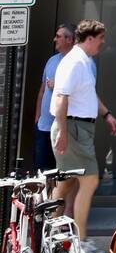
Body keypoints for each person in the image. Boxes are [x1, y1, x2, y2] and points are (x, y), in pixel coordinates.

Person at [50, 19, 116, 253]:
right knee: (89, 180)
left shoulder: (83, 61)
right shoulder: (76, 62)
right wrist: (61, 130)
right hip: (73, 128)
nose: (102, 43)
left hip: (76, 128)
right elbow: (60, 97)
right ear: (89, 38)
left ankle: (50, 233)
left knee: (66, 183)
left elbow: (88, 95)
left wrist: (107, 115)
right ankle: (79, 242)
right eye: (100, 38)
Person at [33, 23, 75, 172]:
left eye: (58, 36)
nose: (54, 39)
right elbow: (42, 90)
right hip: (43, 126)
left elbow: (81, 93)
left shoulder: (78, 62)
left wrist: (57, 86)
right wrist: (37, 118)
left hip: (63, 128)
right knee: (42, 171)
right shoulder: (52, 60)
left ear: (69, 40)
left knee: (62, 173)